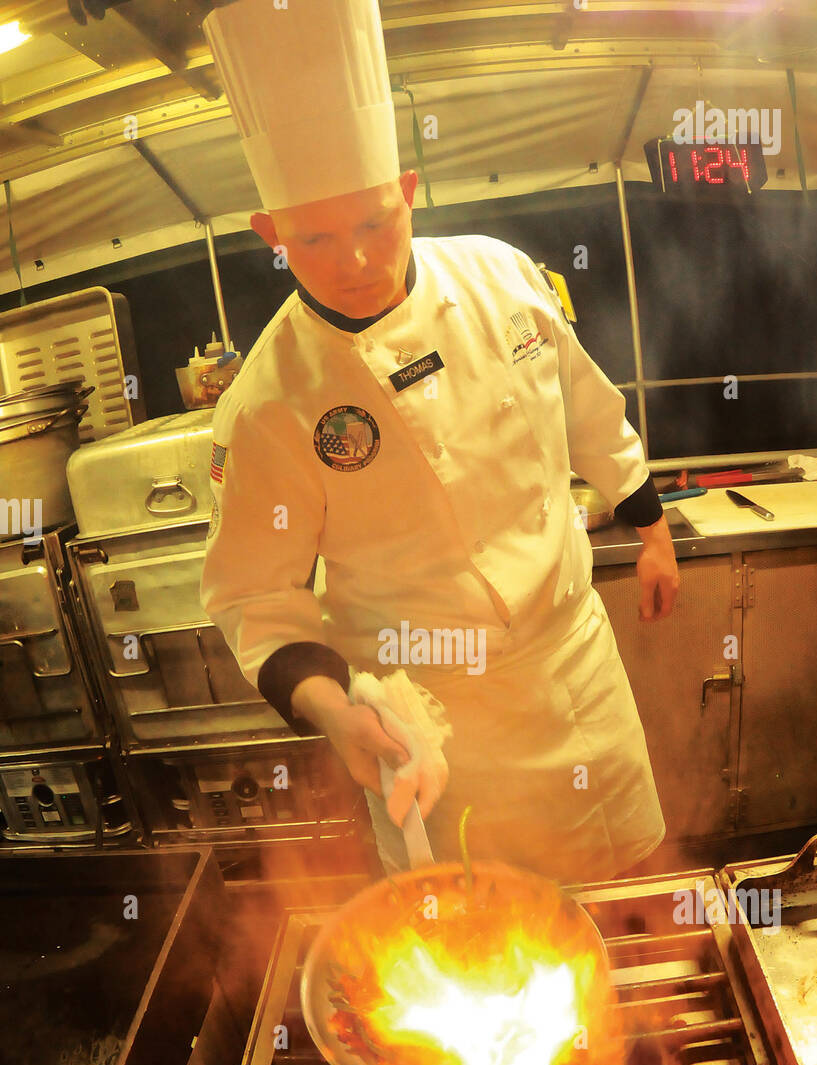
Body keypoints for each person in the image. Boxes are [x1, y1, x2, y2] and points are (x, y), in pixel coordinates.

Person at [200, 0, 679, 883]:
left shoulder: (502, 277)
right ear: (269, 237)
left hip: (575, 661)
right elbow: (256, 601)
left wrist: (650, 530)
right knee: (479, 953)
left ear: (408, 193)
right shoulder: (267, 404)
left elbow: (587, 414)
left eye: (374, 222)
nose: (353, 260)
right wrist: (339, 713)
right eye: (313, 238)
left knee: (627, 898)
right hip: (436, 725)